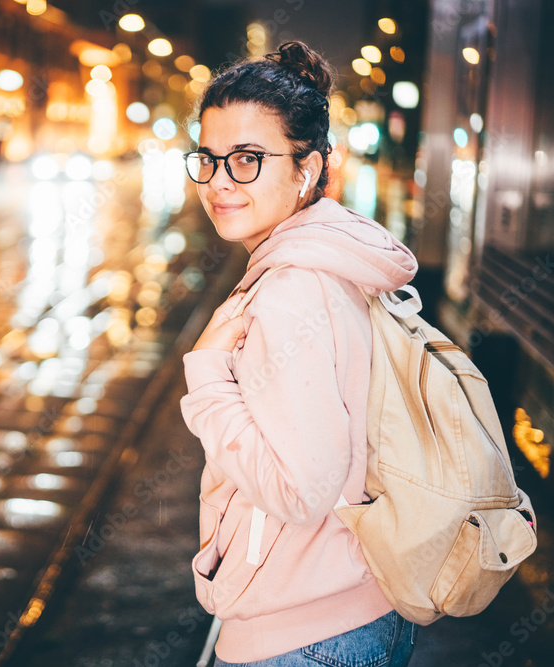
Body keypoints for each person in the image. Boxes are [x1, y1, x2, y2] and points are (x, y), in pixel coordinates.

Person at [179, 41, 421, 666]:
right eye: (207, 160)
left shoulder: (293, 288)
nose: (219, 183)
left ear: (307, 168)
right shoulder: (332, 260)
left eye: (247, 160)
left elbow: (298, 491)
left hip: (304, 637)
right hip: (348, 608)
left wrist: (206, 378)